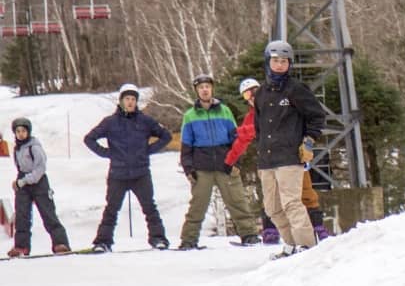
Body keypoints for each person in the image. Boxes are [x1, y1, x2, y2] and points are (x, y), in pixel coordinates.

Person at [226, 77, 331, 246]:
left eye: (254, 92)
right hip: (271, 161)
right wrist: (230, 159)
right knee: (273, 201)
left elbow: (292, 122)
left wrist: (240, 131)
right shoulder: (253, 114)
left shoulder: (277, 105)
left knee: (303, 194)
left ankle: (315, 229)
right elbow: (245, 139)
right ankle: (281, 235)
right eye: (247, 95)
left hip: (292, 157)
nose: (252, 97)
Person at [254, 40, 326, 258]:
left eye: (283, 61)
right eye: (275, 61)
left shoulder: (296, 90)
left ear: (289, 64)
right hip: (267, 159)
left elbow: (316, 116)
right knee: (272, 208)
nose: (279, 65)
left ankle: (306, 245)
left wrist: (309, 141)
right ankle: (291, 244)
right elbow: (259, 126)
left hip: (289, 156)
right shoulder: (261, 93)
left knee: (291, 203)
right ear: (268, 62)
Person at [84, 84, 173, 252]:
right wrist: (107, 153)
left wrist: (148, 151)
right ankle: (103, 242)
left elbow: (165, 136)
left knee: (149, 208)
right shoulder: (110, 122)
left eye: (133, 99)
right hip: (118, 173)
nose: (130, 102)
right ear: (121, 101)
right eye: (127, 99)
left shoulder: (145, 121)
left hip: (141, 173)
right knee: (111, 209)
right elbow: (89, 139)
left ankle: (158, 239)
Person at [176, 74, 262, 249]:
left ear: (212, 89)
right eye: (201, 88)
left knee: (237, 201)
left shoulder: (224, 110)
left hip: (226, 164)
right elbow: (186, 145)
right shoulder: (190, 115)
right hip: (202, 167)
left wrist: (236, 163)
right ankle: (189, 239)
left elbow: (236, 138)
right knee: (197, 206)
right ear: (197, 91)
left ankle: (249, 234)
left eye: (207, 86)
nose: (205, 90)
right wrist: (188, 168)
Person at [7, 118, 71, 257]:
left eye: (23, 131)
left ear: (28, 132)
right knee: (22, 216)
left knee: (48, 213)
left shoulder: (34, 147)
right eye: (18, 131)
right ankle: (21, 246)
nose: (21, 134)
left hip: (38, 182)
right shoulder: (17, 148)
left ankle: (60, 243)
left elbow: (40, 168)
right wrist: (19, 182)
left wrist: (24, 181)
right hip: (23, 182)